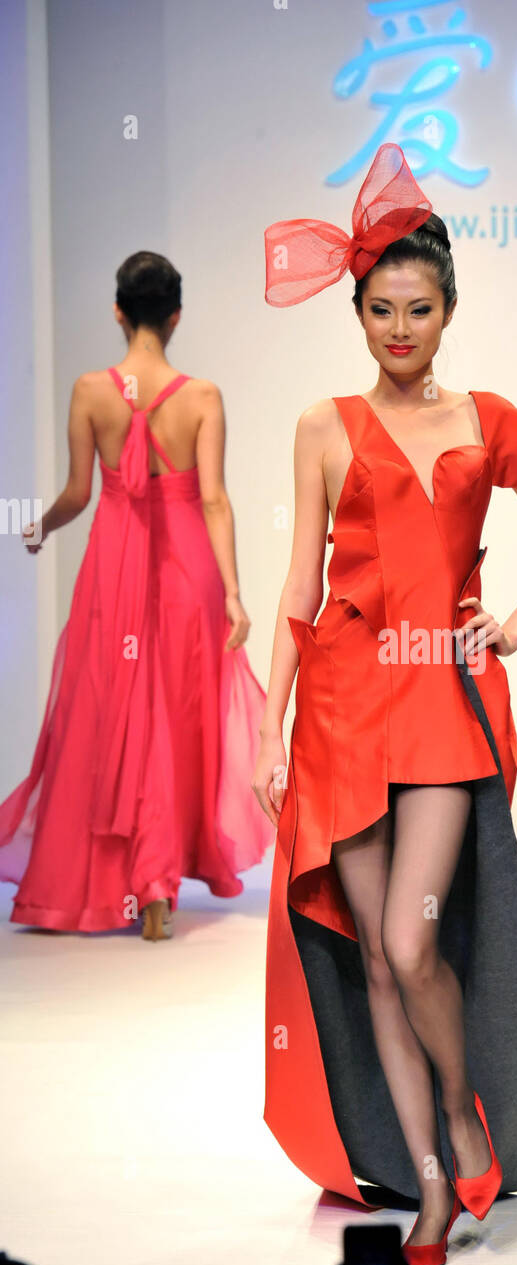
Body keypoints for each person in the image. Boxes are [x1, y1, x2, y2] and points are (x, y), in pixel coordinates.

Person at [252, 143, 517, 1265]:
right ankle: (433, 1186)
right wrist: (267, 725)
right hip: (343, 711)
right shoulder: (321, 424)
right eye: (381, 310)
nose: (400, 330)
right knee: (380, 960)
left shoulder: (488, 421)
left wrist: (512, 624)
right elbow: (299, 587)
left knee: (412, 934)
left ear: (448, 313)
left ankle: (459, 1109)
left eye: (420, 309)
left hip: (439, 708)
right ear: (357, 312)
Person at [0, 251, 272, 939]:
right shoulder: (202, 396)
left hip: (113, 565)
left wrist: (38, 526)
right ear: (175, 316)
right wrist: (234, 592)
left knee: (115, 710)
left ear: (118, 311)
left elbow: (78, 494)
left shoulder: (92, 390)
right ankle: (157, 888)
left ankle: (133, 883)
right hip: (188, 567)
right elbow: (213, 499)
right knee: (174, 714)